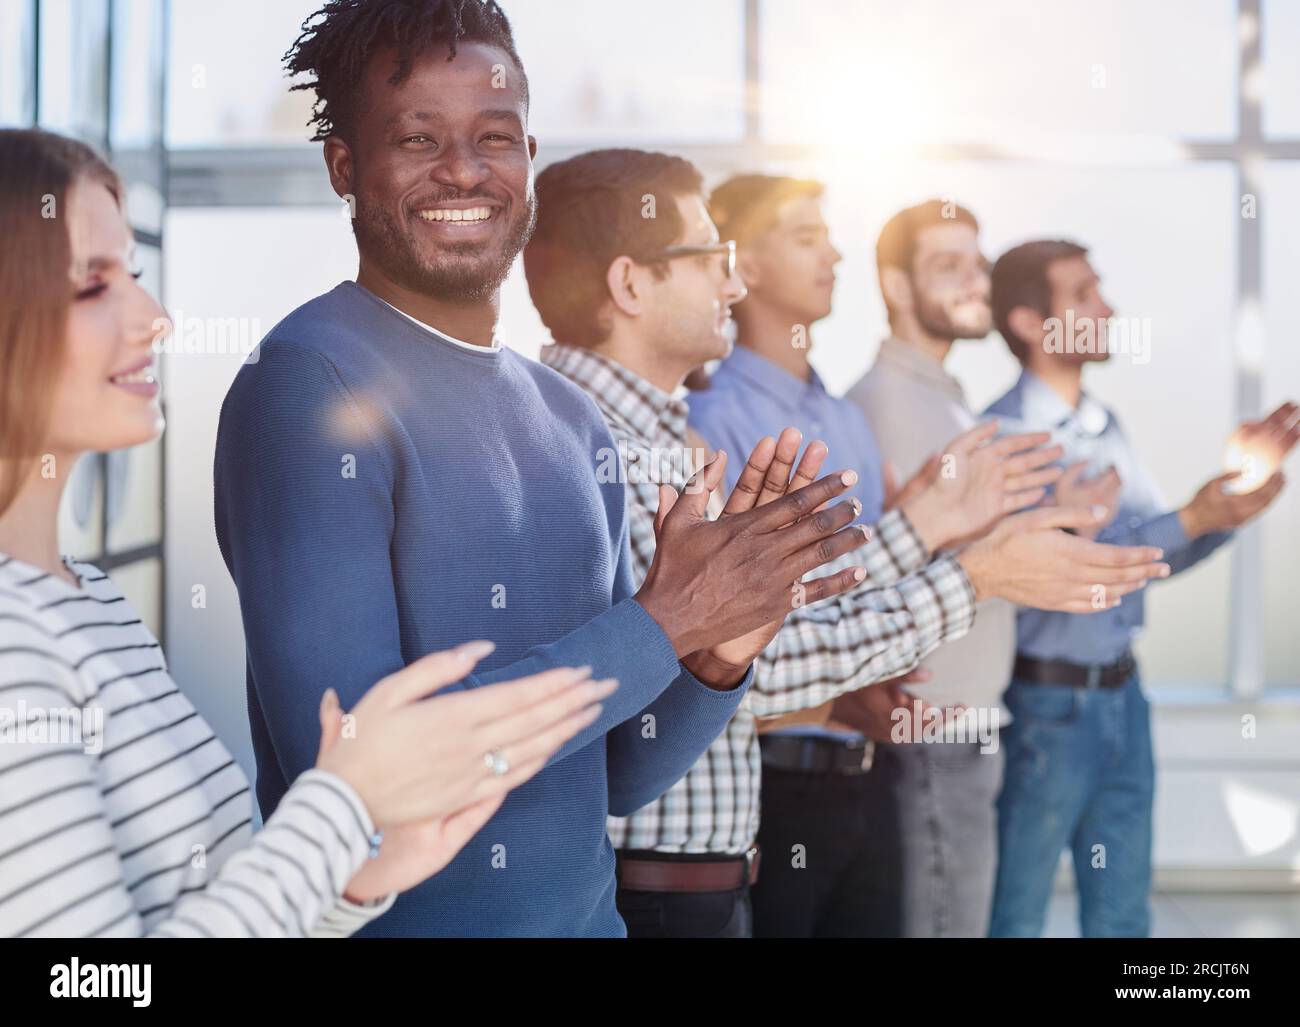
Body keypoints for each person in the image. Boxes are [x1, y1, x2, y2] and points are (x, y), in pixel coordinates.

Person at [213, 0, 869, 938]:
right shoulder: (306, 383)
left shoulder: (572, 418)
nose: (464, 170)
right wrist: (664, 618)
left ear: (527, 156)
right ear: (345, 166)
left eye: (495, 137)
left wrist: (722, 644)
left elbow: (618, 769)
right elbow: (361, 769)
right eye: (417, 137)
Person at [523, 152, 1173, 937]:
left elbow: (750, 637)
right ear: (630, 286)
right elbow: (734, 668)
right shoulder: (606, 453)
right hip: (665, 882)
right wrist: (973, 573)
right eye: (710, 261)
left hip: (715, 867)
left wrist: (927, 525)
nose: (729, 285)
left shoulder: (662, 437)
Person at [0, 127, 612, 938]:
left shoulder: (92, 605)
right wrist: (342, 802)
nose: (155, 317)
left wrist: (356, 880)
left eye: (136, 277)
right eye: (92, 285)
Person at [984, 239, 1299, 937]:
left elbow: (1150, 554)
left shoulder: (1106, 426)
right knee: (1015, 914)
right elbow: (1056, 571)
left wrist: (1227, 509)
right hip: (1046, 709)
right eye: (1085, 294)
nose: (1108, 307)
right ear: (1031, 322)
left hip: (1125, 698)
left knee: (1124, 915)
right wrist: (1196, 513)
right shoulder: (1000, 436)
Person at [845, 199, 1027, 937]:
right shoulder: (883, 405)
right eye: (947, 264)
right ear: (895, 287)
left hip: (958, 726)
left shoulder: (941, 399)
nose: (975, 279)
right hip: (931, 733)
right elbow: (869, 575)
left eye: (976, 263)